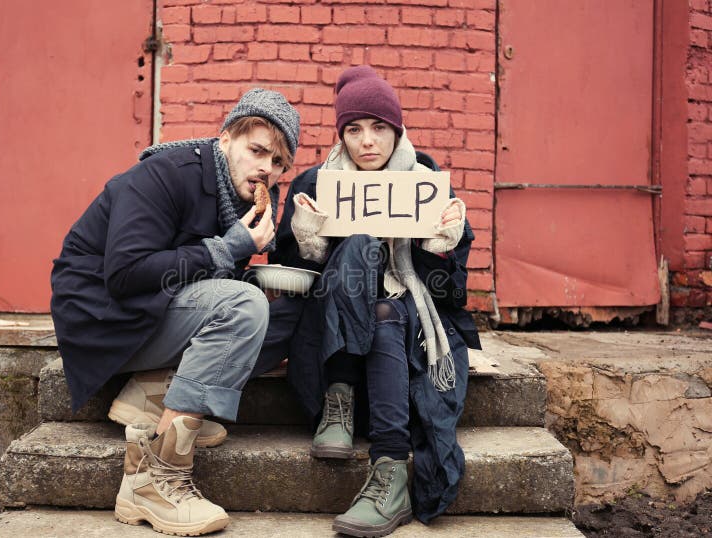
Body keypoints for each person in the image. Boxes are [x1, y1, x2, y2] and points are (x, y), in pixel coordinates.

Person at [50, 89, 300, 536]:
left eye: (279, 162)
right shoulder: (166, 174)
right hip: (104, 318)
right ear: (226, 139)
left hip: (156, 313)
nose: (267, 168)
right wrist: (229, 249)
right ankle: (153, 480)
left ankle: (155, 392)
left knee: (291, 312)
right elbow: (125, 273)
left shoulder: (247, 203)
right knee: (244, 305)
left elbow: (200, 277)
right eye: (257, 150)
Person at [271, 66, 481, 536]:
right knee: (362, 245)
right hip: (329, 339)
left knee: (387, 309)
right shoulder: (314, 184)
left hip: (408, 334)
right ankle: (338, 397)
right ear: (342, 136)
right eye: (354, 129)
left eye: (379, 127)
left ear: (397, 129)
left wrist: (439, 247)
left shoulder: (427, 185)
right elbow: (290, 284)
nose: (367, 141)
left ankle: (389, 470)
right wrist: (308, 242)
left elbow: (454, 296)